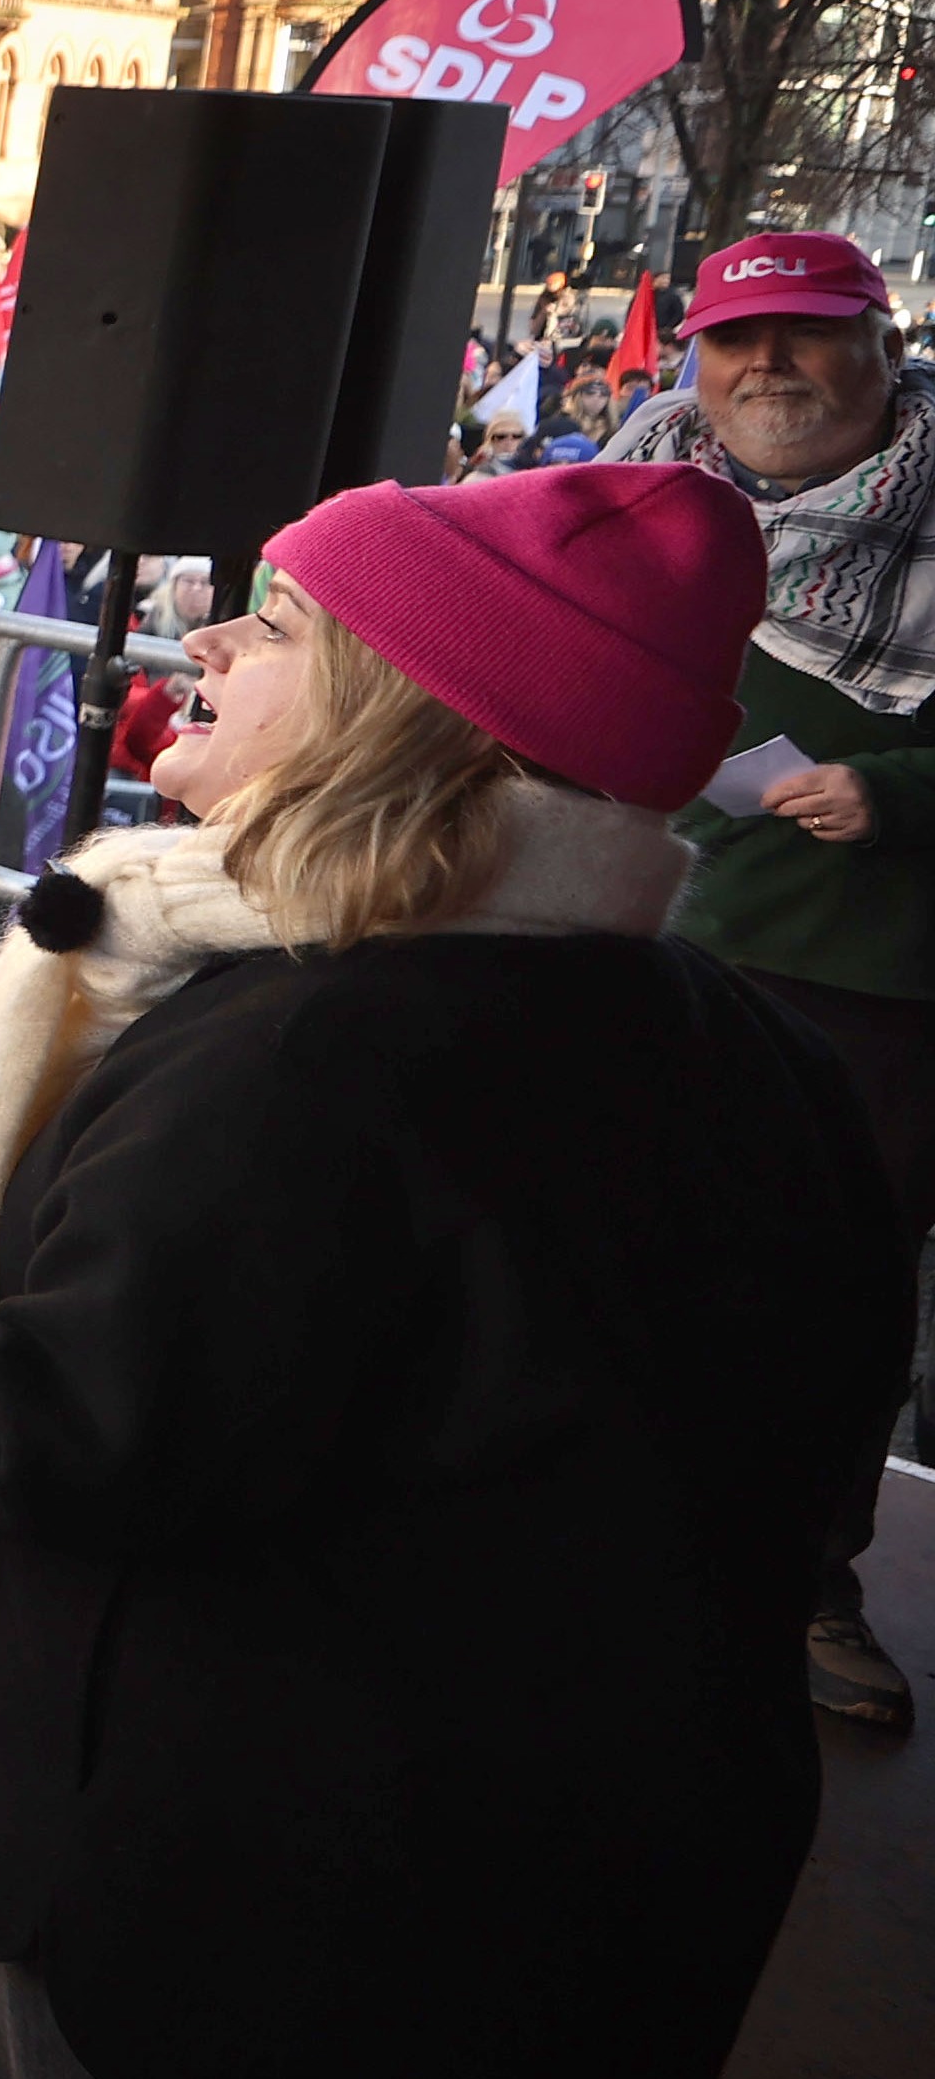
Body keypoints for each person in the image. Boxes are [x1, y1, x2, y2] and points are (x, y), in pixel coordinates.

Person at [0, 464, 905, 2078]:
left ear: (394, 714)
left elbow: (52, 1435)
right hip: (613, 1889)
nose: (194, 640)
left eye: (264, 627)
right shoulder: (761, 1042)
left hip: (280, 1920)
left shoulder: (314, 1052)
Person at [595, 227, 935, 1729]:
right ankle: (591, 1547)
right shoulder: (640, 490)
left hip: (872, 986)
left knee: (839, 1295)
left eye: (805, 331)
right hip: (638, 941)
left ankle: (804, 1580)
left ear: (885, 344)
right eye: (737, 337)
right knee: (607, 1258)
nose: (766, 366)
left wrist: (903, 794)